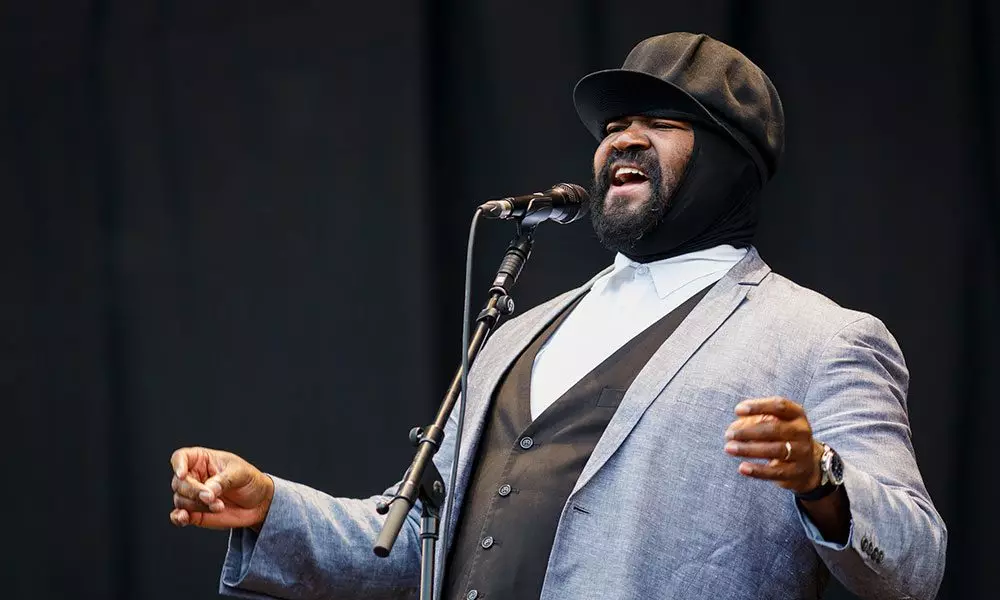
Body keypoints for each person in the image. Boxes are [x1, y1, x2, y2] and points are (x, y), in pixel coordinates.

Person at [169, 32, 946, 599]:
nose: (624, 139)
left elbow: (914, 562)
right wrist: (269, 503)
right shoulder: (516, 333)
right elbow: (411, 541)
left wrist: (821, 478)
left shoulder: (820, 339)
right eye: (613, 126)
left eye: (663, 123)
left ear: (733, 158)